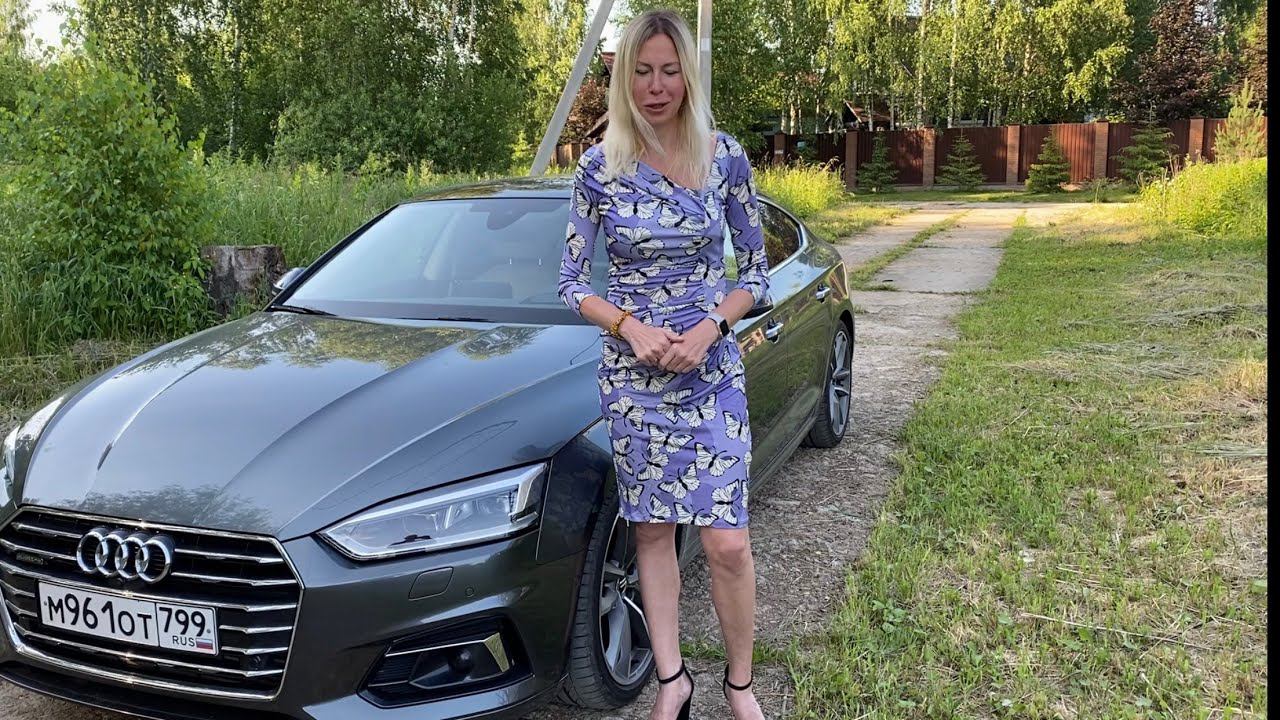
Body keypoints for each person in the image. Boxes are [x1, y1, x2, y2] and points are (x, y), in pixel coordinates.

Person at [556, 9, 769, 720]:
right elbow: (571, 281)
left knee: (727, 541)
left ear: (688, 75)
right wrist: (629, 327)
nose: (655, 86)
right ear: (623, 78)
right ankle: (672, 681)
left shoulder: (724, 157)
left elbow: (755, 274)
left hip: (710, 376)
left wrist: (712, 327)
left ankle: (740, 685)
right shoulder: (599, 168)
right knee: (651, 530)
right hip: (635, 382)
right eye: (641, 72)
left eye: (669, 71)